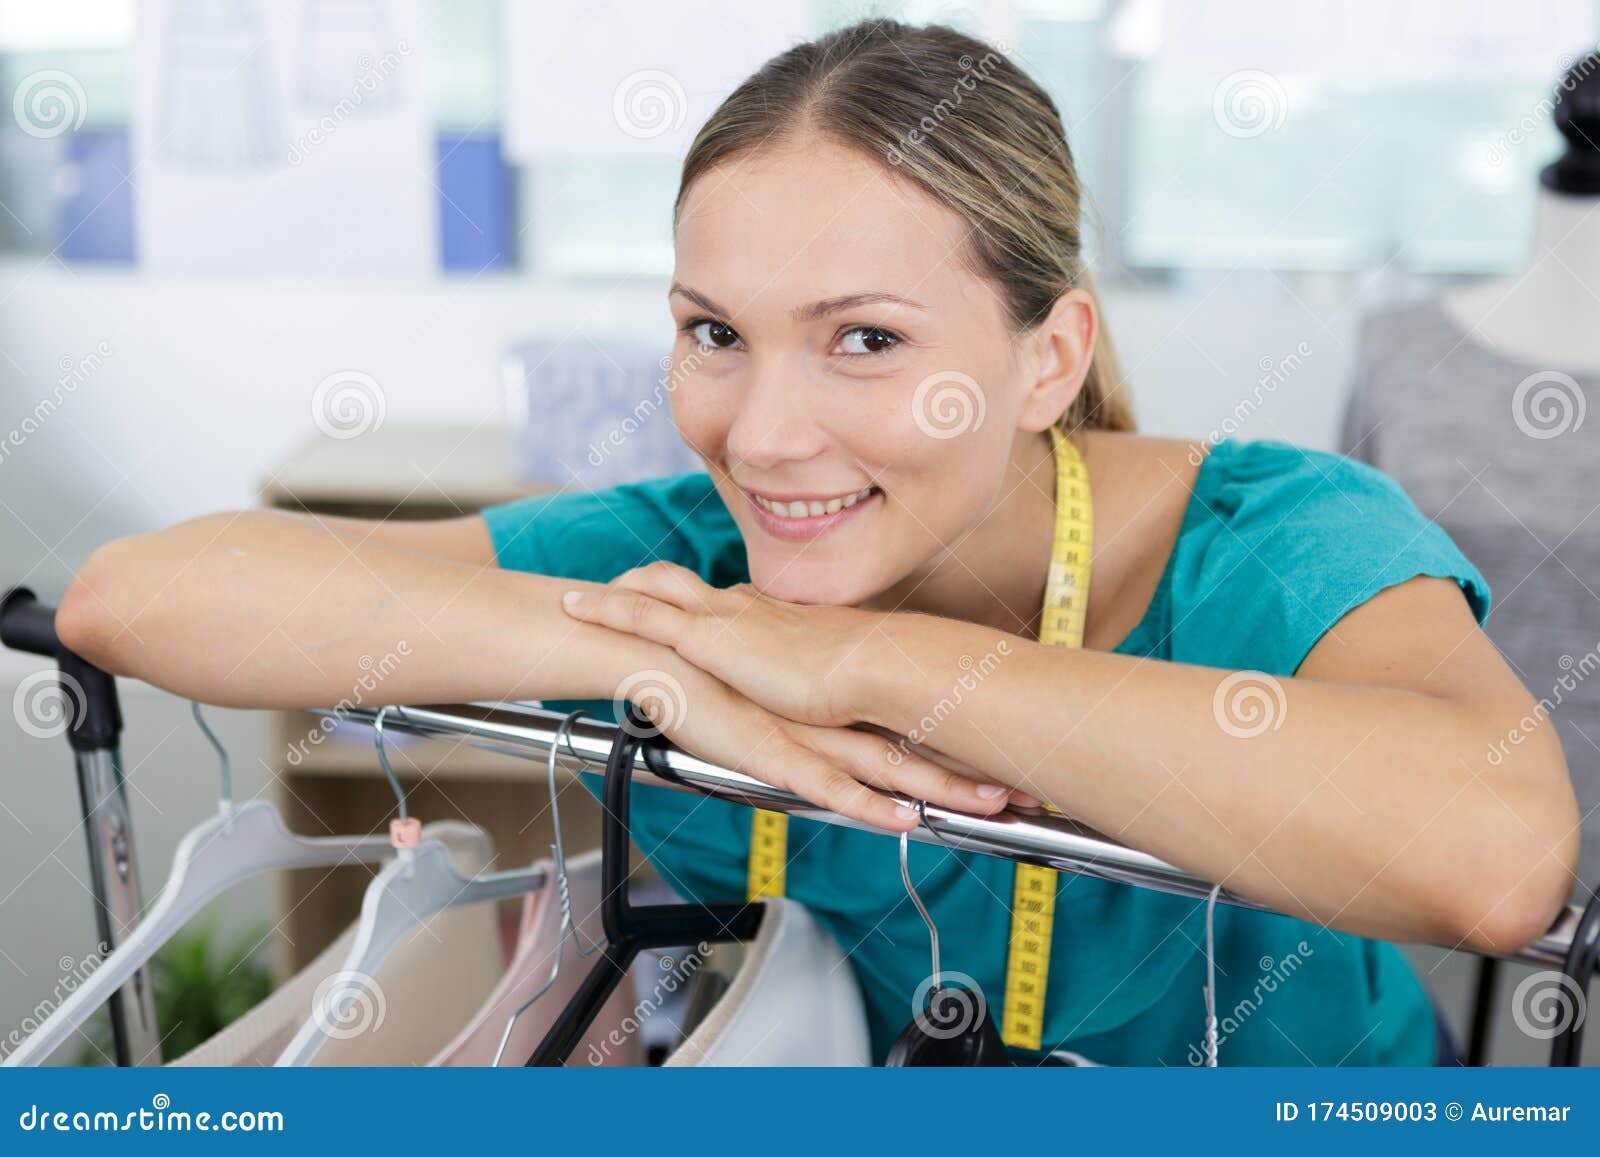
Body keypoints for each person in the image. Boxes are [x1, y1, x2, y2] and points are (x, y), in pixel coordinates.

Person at [58, 19, 1577, 1066]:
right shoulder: (689, 563)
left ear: (1048, 359)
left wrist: (866, 660)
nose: (766, 433)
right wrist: (660, 656)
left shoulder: (1273, 538)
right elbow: (140, 599)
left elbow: (1501, 856)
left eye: (864, 338)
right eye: (714, 331)